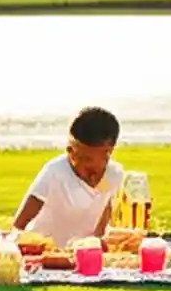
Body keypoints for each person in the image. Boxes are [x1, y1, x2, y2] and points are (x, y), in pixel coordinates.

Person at [11, 106, 125, 248]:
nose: (77, 162)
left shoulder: (114, 175)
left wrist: (97, 241)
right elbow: (19, 225)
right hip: (43, 253)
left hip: (80, 254)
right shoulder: (55, 172)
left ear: (108, 152)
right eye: (71, 152)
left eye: (87, 159)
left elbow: (105, 207)